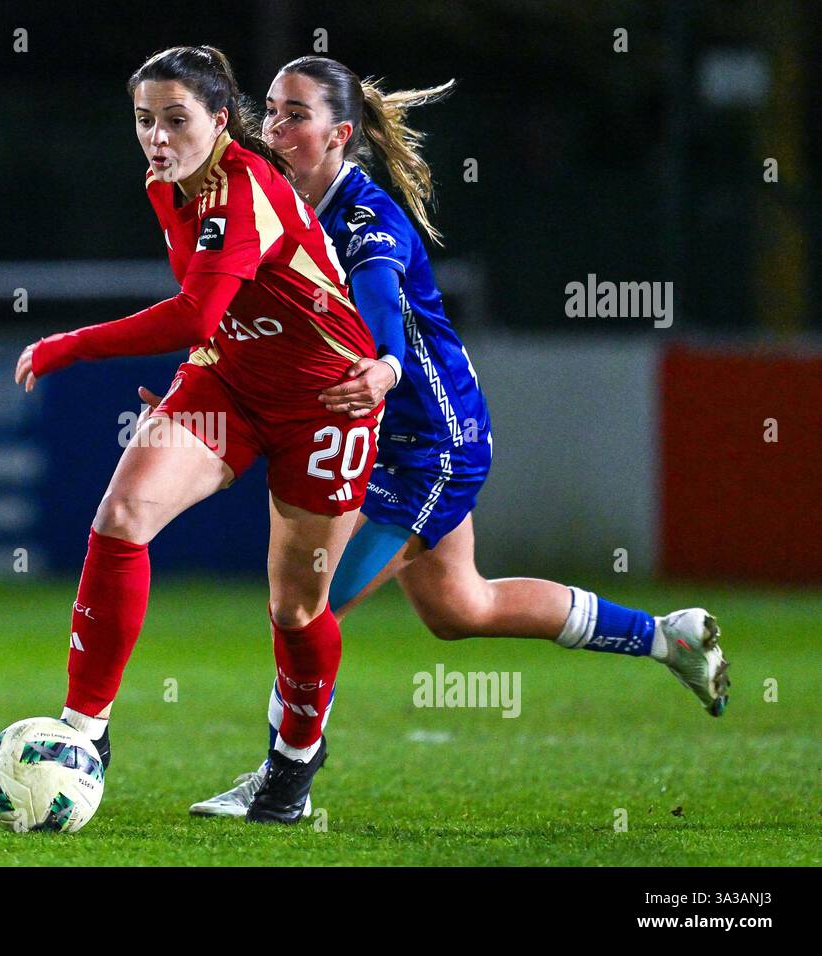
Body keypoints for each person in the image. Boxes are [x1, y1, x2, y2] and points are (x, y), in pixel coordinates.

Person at [184, 56, 730, 819]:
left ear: (341, 135)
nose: (275, 128)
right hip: (385, 434)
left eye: (296, 115)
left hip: (429, 445)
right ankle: (664, 638)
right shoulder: (278, 208)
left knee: (310, 605)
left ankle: (285, 784)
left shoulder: (365, 220)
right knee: (459, 609)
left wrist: (382, 365)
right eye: (270, 110)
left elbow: (377, 308)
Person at [15, 46, 389, 823]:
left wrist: (67, 345)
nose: (156, 136)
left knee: (294, 609)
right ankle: (85, 731)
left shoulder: (244, 187)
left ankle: (291, 769)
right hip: (227, 381)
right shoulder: (168, 184)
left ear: (220, 122)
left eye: (175, 119)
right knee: (120, 518)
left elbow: (194, 311)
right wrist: (201, 369)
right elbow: (213, 311)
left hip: (329, 400)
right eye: (144, 119)